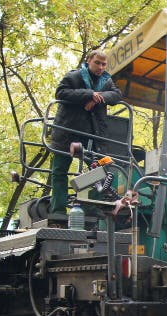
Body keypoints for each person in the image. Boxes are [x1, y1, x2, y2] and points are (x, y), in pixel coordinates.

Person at [49, 49, 122, 215]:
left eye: (104, 64)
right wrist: (89, 94)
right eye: (97, 63)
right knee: (60, 170)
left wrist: (98, 97)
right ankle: (58, 209)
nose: (101, 67)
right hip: (67, 131)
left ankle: (91, 207)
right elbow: (61, 92)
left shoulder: (106, 81)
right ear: (89, 60)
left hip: (91, 134)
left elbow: (117, 95)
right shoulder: (74, 76)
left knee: (99, 170)